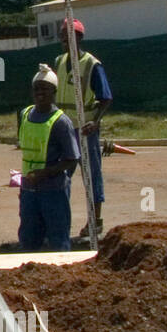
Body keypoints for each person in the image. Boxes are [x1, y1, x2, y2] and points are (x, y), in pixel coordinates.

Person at [56, 18, 113, 235]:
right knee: (60, 177)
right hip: (64, 131)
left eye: (69, 36)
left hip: (85, 130)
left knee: (91, 176)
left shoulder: (91, 64)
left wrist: (95, 121)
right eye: (62, 36)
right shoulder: (60, 62)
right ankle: (60, 222)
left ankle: (95, 221)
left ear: (79, 37)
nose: (64, 40)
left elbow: (105, 98)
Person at [17, 64, 80, 252]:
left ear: (54, 91)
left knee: (58, 240)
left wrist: (46, 174)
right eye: (36, 88)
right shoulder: (25, 115)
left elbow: (72, 159)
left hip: (53, 192)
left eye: (44, 88)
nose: (39, 92)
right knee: (28, 239)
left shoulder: (61, 122)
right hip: (29, 190)